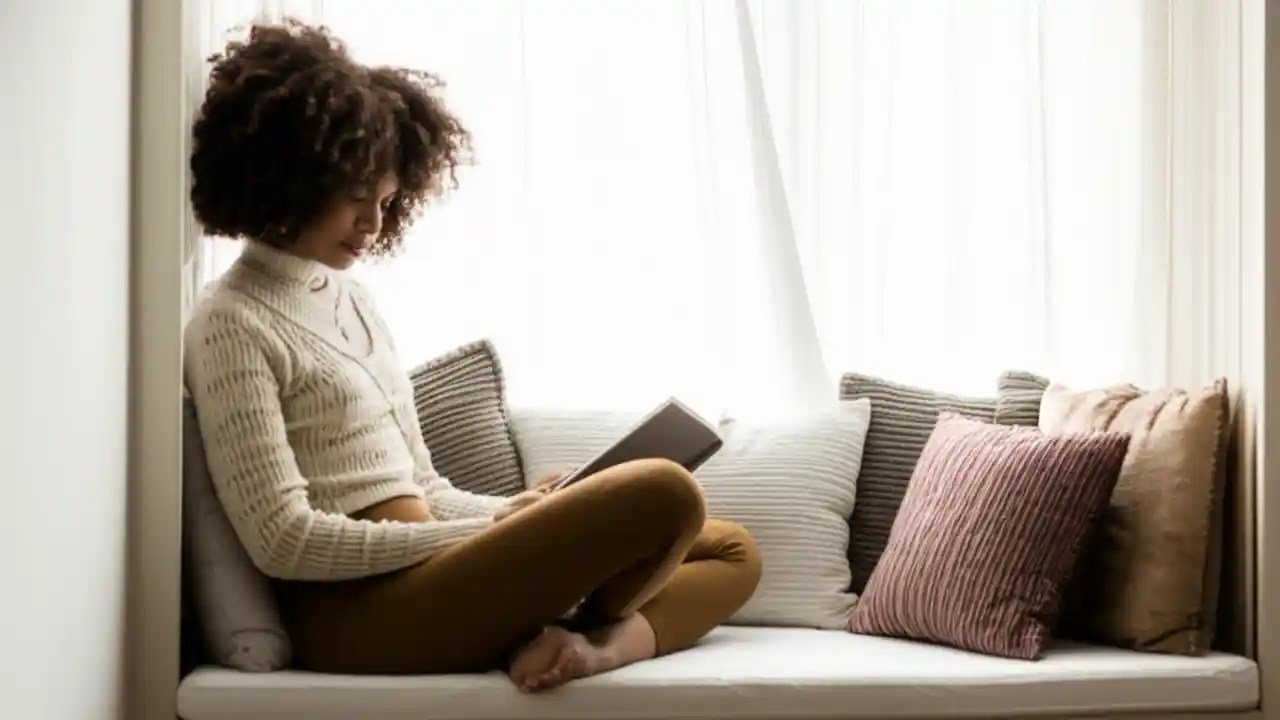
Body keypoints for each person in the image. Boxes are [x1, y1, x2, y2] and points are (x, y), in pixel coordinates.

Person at [183, 20, 761, 692]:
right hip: (353, 614)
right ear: (289, 180)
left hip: (437, 575)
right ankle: (577, 613)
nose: (372, 225)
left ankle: (595, 648)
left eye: (387, 201)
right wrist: (489, 534)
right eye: (354, 199)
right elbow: (283, 539)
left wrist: (512, 512)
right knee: (663, 492)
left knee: (732, 548)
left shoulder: (352, 300)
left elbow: (423, 490)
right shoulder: (231, 321)